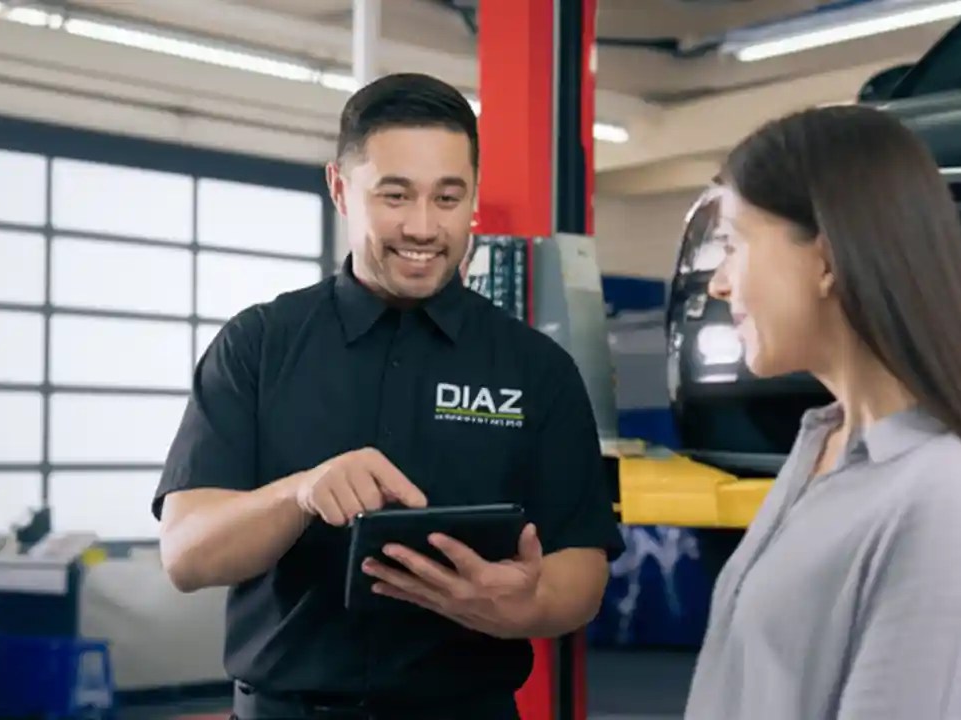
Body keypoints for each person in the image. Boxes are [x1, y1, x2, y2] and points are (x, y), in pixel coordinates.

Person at [151, 72, 624, 720]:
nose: (423, 227)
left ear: (473, 194)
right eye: (395, 196)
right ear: (340, 188)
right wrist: (299, 494)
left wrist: (525, 604)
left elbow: (582, 567)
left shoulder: (537, 369)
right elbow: (185, 555)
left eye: (448, 198)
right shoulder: (258, 346)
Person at [682, 105, 961, 720]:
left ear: (826, 260)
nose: (719, 283)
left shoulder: (949, 499)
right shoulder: (821, 448)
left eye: (733, 245)